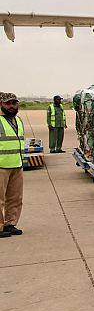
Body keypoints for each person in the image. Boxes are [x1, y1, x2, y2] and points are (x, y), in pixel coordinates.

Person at [0, 92, 25, 237]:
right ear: (1, 104)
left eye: (14, 103)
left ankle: (10, 223)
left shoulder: (19, 121)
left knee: (15, 198)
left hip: (17, 165)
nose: (11, 106)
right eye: (8, 103)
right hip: (1, 166)